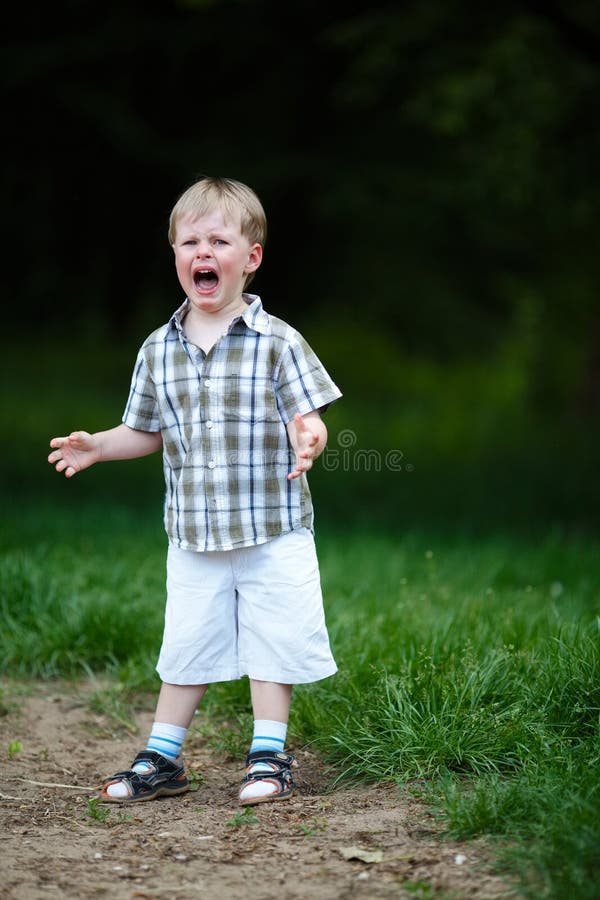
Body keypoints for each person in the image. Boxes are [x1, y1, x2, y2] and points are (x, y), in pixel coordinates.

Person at [48, 176, 342, 806]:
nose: (202, 252)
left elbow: (309, 416)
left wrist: (310, 437)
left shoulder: (278, 341)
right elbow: (144, 430)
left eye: (219, 241)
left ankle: (268, 755)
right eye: (190, 242)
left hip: (272, 528)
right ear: (176, 255)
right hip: (194, 534)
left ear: (251, 257)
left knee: (274, 640)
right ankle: (163, 758)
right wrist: (98, 446)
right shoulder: (158, 349)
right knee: (186, 644)